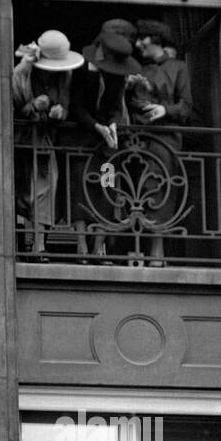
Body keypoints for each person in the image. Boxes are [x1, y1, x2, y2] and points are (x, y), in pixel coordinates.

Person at [70, 21, 143, 262]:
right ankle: (81, 246)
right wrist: (96, 127)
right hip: (82, 137)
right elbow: (77, 107)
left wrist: (111, 124)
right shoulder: (81, 69)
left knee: (107, 188)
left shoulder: (118, 75)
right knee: (80, 190)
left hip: (107, 144)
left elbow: (114, 106)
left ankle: (99, 247)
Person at [12, 30, 83, 258]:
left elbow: (66, 105)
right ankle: (23, 242)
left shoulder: (65, 76)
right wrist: (33, 106)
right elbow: (12, 105)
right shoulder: (24, 72)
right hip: (21, 140)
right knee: (22, 193)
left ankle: (39, 245)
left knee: (44, 188)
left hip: (45, 140)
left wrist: (59, 112)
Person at [130, 19, 194, 266]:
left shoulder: (178, 67)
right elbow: (132, 103)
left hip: (165, 139)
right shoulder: (138, 69)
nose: (137, 44)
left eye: (142, 39)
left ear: (155, 39)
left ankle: (157, 252)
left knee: (159, 191)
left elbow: (186, 107)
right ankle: (130, 248)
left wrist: (164, 110)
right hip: (137, 139)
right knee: (128, 186)